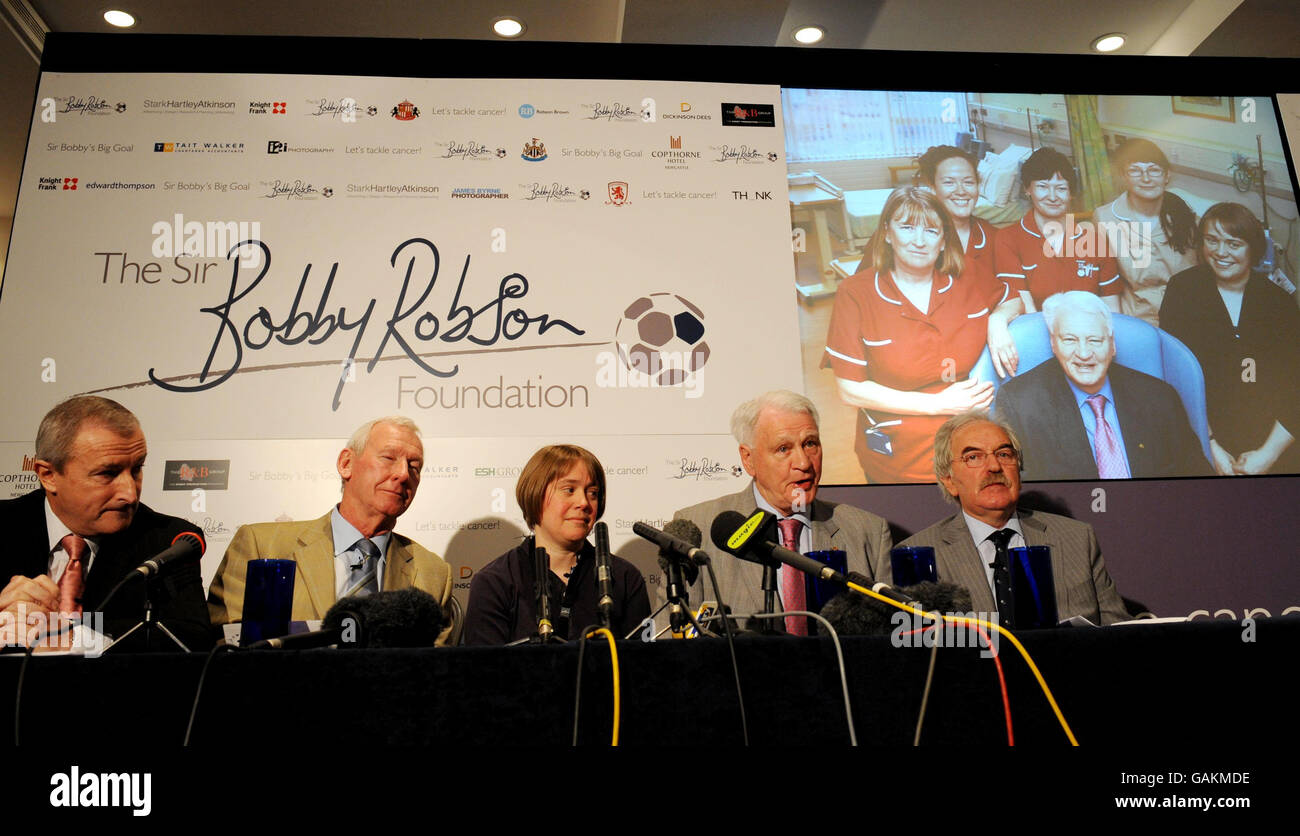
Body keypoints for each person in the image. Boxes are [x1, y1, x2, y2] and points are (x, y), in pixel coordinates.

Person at [208, 416, 454, 641]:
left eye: (414, 466)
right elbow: (227, 645)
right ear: (346, 463)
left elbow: (434, 669)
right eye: (389, 458)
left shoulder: (432, 573)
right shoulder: (261, 545)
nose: (403, 474)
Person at [824, 186, 1006, 483]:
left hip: (969, 450)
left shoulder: (968, 274)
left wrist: (998, 322)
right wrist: (937, 404)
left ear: (944, 240)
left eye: (931, 230)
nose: (919, 241)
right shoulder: (855, 293)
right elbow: (849, 390)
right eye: (907, 227)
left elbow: (1010, 300)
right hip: (898, 456)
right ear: (886, 233)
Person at [672, 390, 893, 633]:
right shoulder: (697, 528)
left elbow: (892, 639)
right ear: (748, 459)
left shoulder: (868, 532)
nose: (804, 463)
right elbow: (676, 645)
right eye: (783, 449)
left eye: (810, 444)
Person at [0, 396, 211, 650]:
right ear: (48, 475)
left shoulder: (170, 541)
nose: (130, 493)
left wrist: (71, 638)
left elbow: (191, 639)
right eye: (107, 473)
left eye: (136, 469)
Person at [896, 411, 1128, 626]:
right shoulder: (918, 554)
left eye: (1004, 454)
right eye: (974, 457)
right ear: (949, 479)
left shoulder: (1076, 538)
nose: (995, 466)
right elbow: (917, 648)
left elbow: (1119, 634)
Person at [993, 291, 1210, 480]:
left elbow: (1199, 479)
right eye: (1069, 340)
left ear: (1112, 344)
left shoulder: (1159, 397)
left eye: (1095, 340)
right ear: (1053, 343)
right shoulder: (1020, 405)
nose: (1084, 354)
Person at [1160, 202, 1300, 475]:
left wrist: (1267, 456)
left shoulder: (1279, 303)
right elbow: (1174, 376)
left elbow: (1295, 386)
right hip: (1199, 429)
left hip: (1273, 438)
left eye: (1234, 244)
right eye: (1212, 240)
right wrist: (1209, 444)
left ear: (1253, 249)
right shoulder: (1182, 291)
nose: (1220, 252)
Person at [462, 444, 650, 644]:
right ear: (535, 493)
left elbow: (644, 665)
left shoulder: (625, 578)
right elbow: (483, 671)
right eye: (569, 490)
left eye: (592, 493)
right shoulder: (495, 582)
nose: (584, 502)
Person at [989, 147, 1121, 377]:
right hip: (1038, 345)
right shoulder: (1008, 238)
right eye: (1042, 186)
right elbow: (1024, 307)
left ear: (1071, 194)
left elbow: (1111, 309)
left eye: (1061, 188)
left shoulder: (1094, 239)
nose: (1052, 196)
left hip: (1091, 349)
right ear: (1027, 189)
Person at [1094, 138, 1199, 325]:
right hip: (1136, 320)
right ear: (1123, 176)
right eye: (1135, 170)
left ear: (1167, 176)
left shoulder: (1186, 218)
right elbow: (1101, 282)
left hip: (1188, 316)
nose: (1146, 178)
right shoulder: (1105, 218)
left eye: (1154, 170)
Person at [916, 145, 998, 277]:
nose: (961, 191)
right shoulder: (909, 237)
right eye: (949, 182)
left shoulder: (995, 237)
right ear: (933, 188)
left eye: (968, 182)